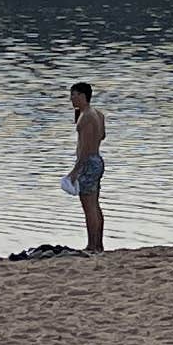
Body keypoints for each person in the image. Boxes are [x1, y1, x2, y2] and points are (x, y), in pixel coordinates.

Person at [65, 83, 107, 252]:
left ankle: (92, 245)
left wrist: (76, 170)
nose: (71, 99)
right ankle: (98, 244)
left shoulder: (87, 116)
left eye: (74, 95)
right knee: (95, 204)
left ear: (82, 96)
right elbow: (102, 136)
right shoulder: (98, 114)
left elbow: (85, 147)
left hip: (88, 162)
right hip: (97, 159)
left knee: (88, 206)